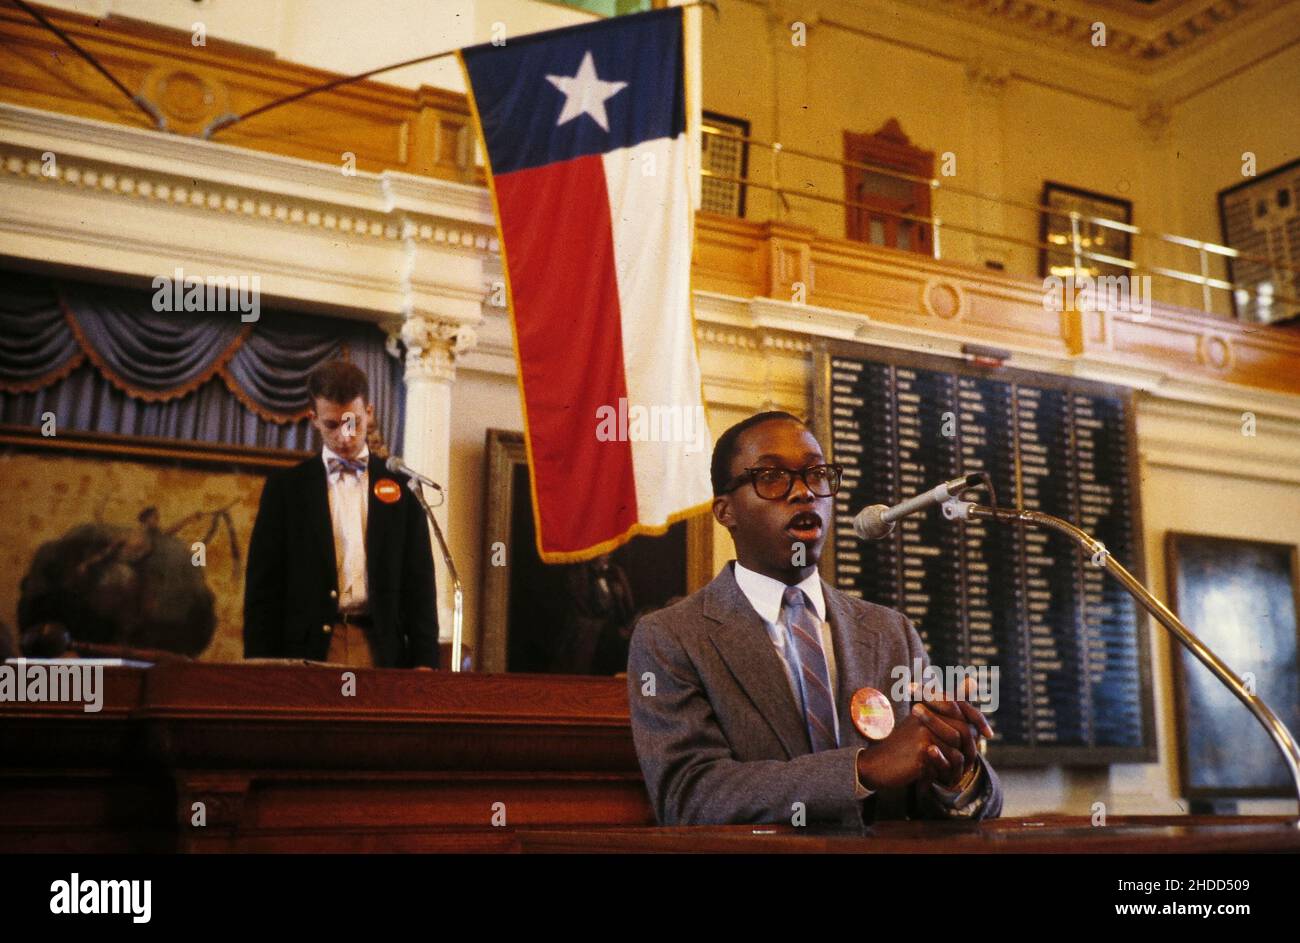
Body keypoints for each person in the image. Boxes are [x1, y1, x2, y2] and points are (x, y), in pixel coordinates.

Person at [627, 411, 1003, 826]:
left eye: (817, 474)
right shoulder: (672, 637)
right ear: (725, 511)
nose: (804, 493)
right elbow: (689, 796)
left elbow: (948, 798)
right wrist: (862, 769)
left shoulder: (891, 631)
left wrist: (954, 770)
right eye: (771, 476)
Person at [243, 361, 439, 668]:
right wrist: (261, 667)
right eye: (333, 425)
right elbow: (262, 592)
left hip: (380, 650)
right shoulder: (285, 490)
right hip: (306, 652)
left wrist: (425, 662)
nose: (345, 437)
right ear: (314, 419)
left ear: (369, 413)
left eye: (354, 423)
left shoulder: (405, 489)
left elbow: (420, 587)